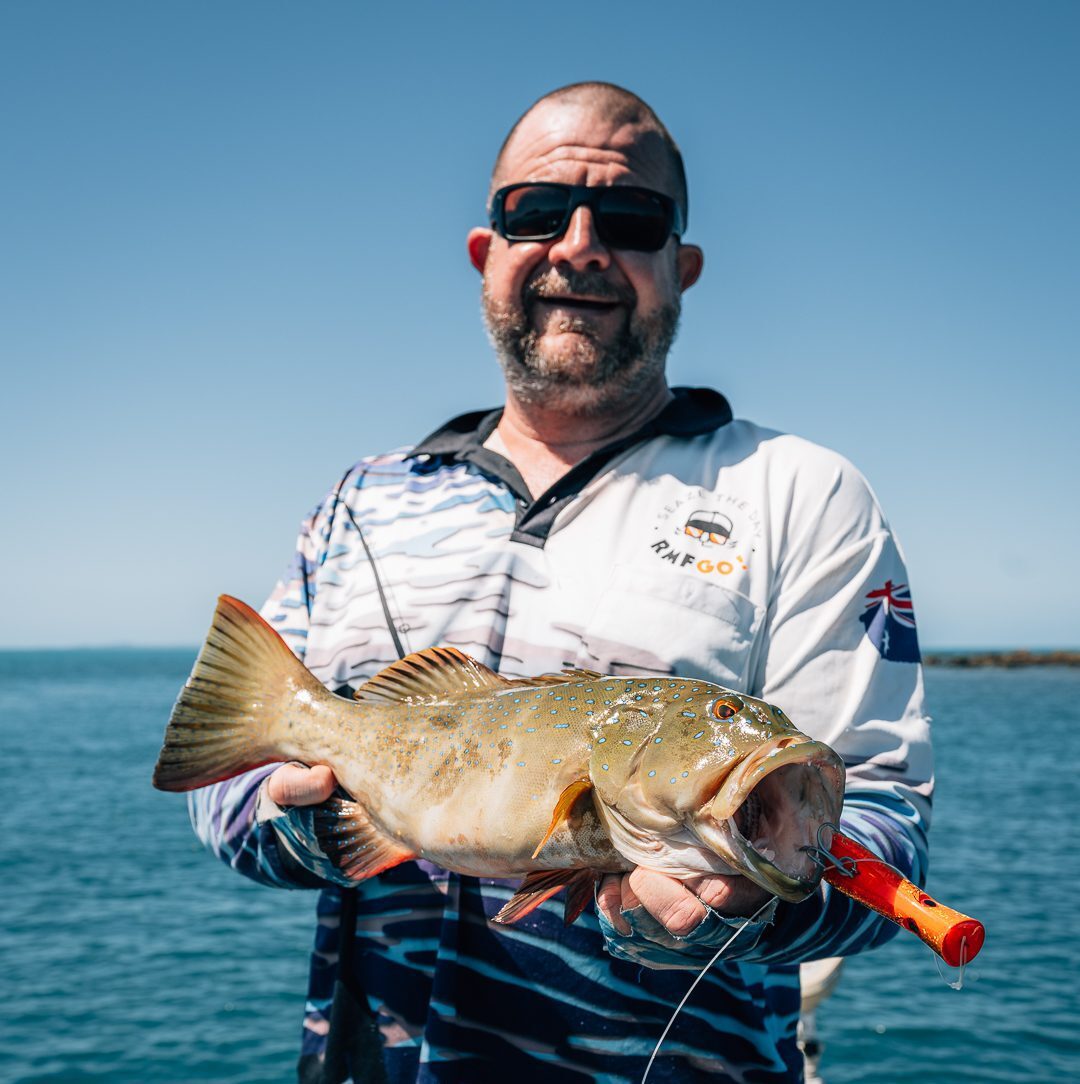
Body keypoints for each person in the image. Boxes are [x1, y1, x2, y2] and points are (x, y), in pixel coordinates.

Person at [189, 82, 932, 1083]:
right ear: (484, 254)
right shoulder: (361, 501)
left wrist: (751, 899)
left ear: (684, 266)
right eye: (536, 213)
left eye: (630, 220)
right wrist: (319, 817)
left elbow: (879, 816)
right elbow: (223, 780)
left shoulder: (804, 494)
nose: (579, 246)